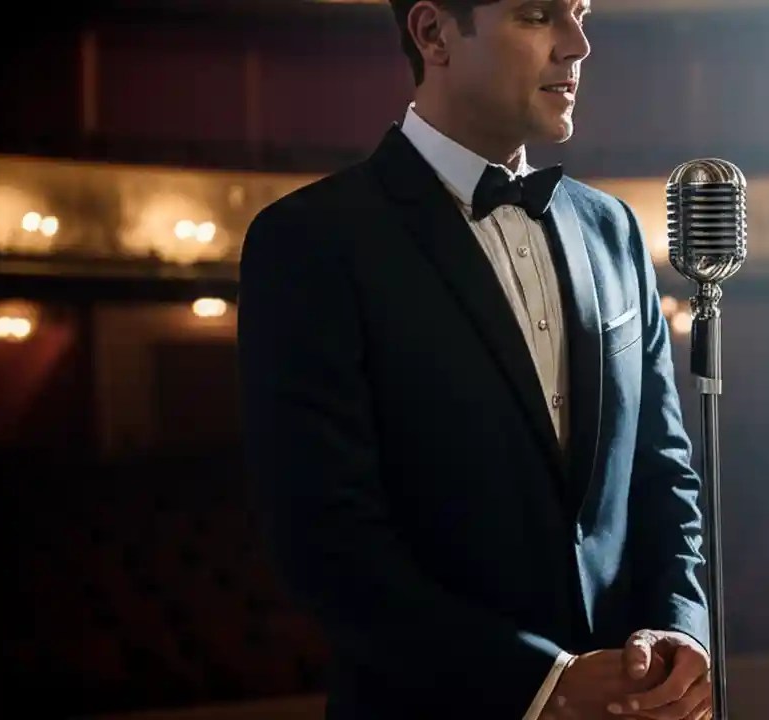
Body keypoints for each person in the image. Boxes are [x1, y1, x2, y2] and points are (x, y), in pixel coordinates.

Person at [236, 1, 714, 717]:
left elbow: (662, 473)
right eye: (536, 15)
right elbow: (325, 540)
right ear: (434, 34)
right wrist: (542, 682)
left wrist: (680, 629)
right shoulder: (309, 241)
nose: (577, 44)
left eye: (580, 13)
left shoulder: (612, 227)